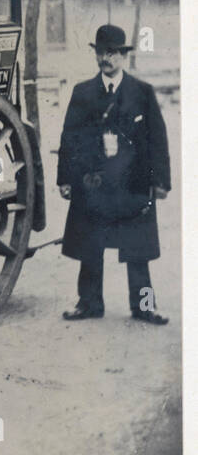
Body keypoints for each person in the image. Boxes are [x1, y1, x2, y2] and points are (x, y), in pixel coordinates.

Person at [57, 24, 171, 325]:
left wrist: (161, 181)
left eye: (112, 53)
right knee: (90, 247)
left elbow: (157, 139)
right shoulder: (82, 92)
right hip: (93, 183)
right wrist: (66, 179)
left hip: (132, 183)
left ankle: (145, 306)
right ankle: (89, 303)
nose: (105, 58)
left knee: (139, 251)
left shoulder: (142, 92)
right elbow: (69, 139)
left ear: (122, 56)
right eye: (101, 52)